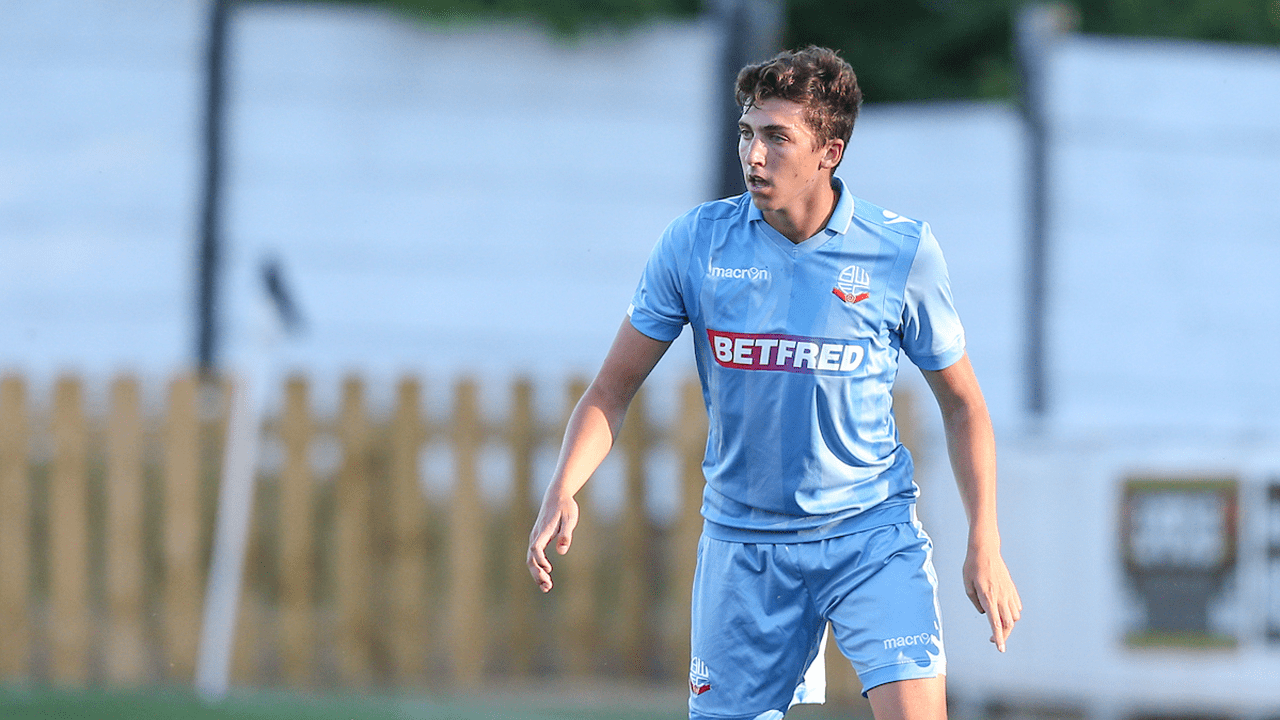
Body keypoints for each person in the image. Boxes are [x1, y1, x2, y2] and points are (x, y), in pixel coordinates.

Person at [527, 45, 1020, 720]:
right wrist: (564, 485)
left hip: (869, 535)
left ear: (830, 152)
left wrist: (983, 542)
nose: (754, 156)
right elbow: (611, 389)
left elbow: (964, 407)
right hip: (744, 545)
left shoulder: (901, 252)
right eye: (747, 133)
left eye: (778, 138)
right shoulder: (696, 244)